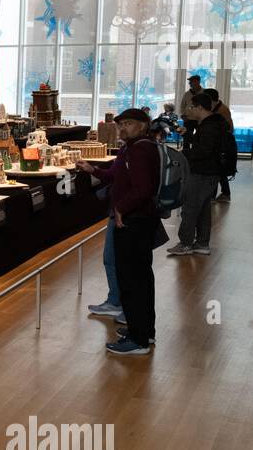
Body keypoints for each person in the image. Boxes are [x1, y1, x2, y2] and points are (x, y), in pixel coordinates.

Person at [76, 108, 164, 355]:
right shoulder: (129, 148)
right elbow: (113, 176)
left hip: (135, 222)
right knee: (138, 279)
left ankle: (138, 340)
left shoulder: (140, 149)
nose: (123, 128)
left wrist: (121, 209)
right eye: (120, 124)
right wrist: (91, 169)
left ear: (143, 126)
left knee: (134, 280)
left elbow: (143, 188)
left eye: (128, 124)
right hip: (132, 220)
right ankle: (143, 330)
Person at [168, 93, 228, 256]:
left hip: (203, 172)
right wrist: (187, 135)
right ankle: (202, 243)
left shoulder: (209, 126)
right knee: (202, 208)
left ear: (199, 107)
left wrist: (183, 153)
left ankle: (186, 243)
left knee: (190, 207)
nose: (188, 110)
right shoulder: (210, 123)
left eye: (190, 107)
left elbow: (205, 151)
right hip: (209, 172)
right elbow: (202, 144)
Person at [203, 88, 234, 200]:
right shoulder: (216, 108)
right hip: (218, 143)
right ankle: (219, 194)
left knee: (219, 170)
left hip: (222, 144)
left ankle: (220, 194)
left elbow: (227, 128)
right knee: (218, 170)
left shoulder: (222, 110)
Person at [178, 75, 203, 152]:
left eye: (191, 82)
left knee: (200, 136)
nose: (190, 83)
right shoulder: (187, 94)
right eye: (190, 82)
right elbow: (182, 106)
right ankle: (186, 152)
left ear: (198, 82)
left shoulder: (204, 93)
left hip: (200, 120)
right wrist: (183, 115)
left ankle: (197, 151)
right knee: (186, 137)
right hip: (188, 119)